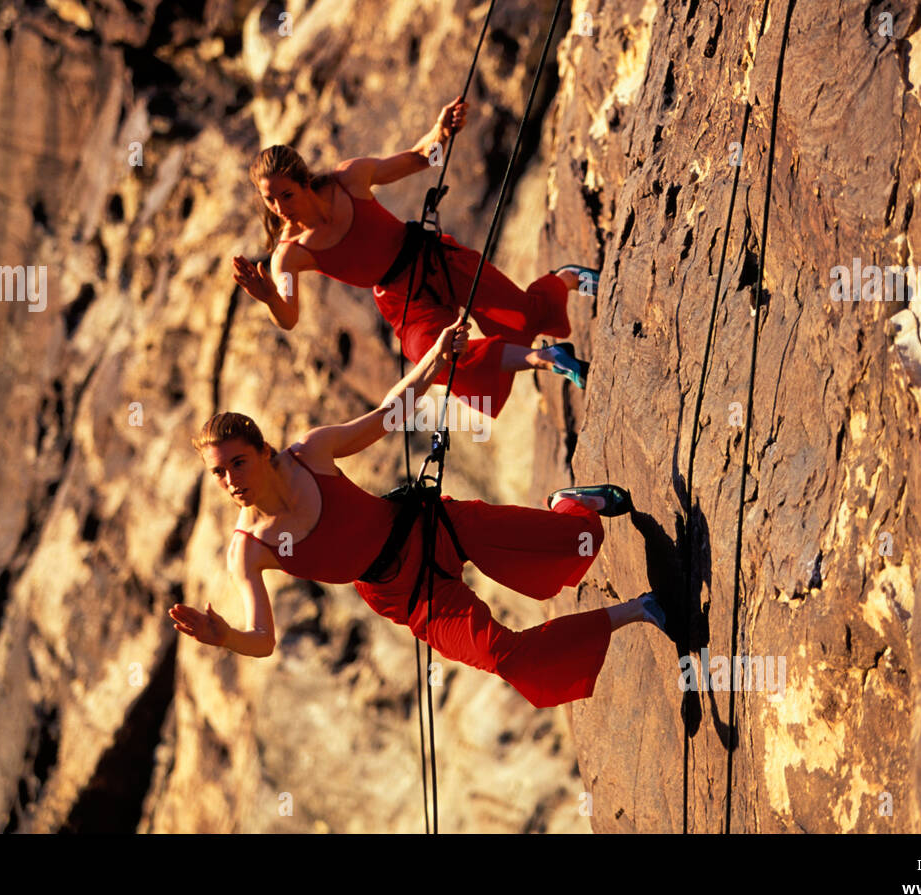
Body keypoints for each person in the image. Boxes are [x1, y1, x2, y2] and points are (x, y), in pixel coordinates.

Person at [170, 319, 676, 709]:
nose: (231, 480)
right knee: (506, 657)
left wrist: (434, 360)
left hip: (432, 527)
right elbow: (263, 641)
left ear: (262, 450)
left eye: (237, 463)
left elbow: (390, 413)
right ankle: (642, 609)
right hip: (406, 594)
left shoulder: (311, 453)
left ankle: (571, 506)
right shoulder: (250, 551)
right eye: (219, 473)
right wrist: (225, 637)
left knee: (572, 544)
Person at [231, 95, 595, 420]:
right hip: (403, 301)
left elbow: (422, 158)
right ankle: (547, 359)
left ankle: (566, 278)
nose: (279, 208)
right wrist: (269, 299)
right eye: (269, 200)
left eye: (286, 195)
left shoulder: (349, 178)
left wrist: (441, 133)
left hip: (435, 258)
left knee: (524, 317)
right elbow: (289, 318)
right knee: (438, 360)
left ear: (304, 182)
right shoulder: (290, 255)